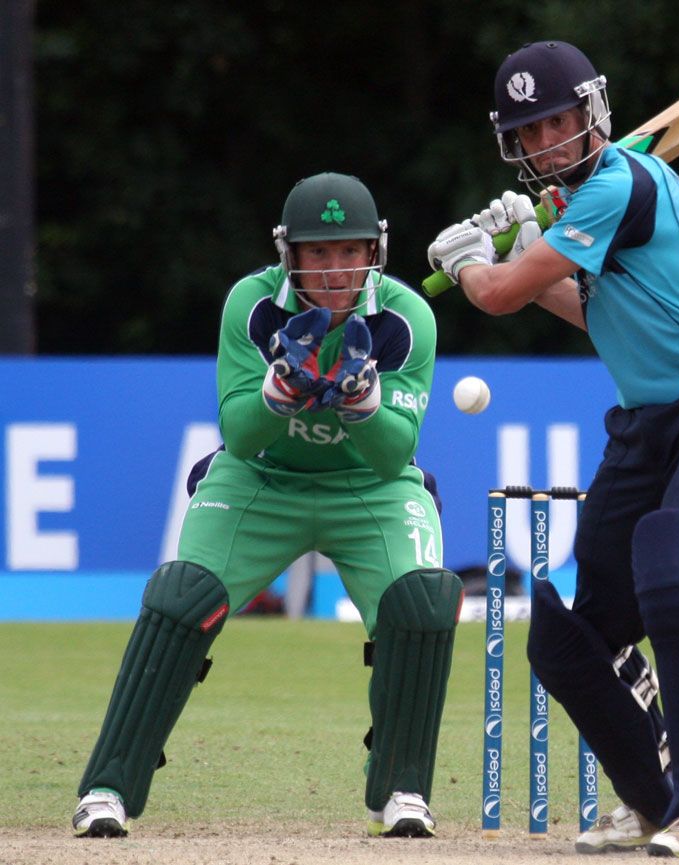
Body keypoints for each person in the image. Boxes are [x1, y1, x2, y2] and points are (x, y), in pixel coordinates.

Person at [428, 41, 679, 857]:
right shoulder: (590, 207)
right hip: (647, 423)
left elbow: (497, 297)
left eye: (557, 121)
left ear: (592, 114)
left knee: (677, 555)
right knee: (570, 634)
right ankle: (657, 800)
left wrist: (472, 266)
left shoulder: (624, 184)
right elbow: (587, 309)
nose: (545, 142)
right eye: (528, 132)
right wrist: (527, 250)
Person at [74, 172, 462, 840]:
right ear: (290, 254)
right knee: (181, 596)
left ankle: (401, 787)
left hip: (369, 488)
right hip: (259, 480)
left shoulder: (407, 317)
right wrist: (276, 393)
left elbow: (394, 455)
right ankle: (108, 786)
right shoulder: (250, 306)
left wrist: (365, 405)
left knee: (424, 598)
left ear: (377, 247)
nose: (336, 269)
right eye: (319, 253)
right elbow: (240, 433)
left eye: (350, 250)